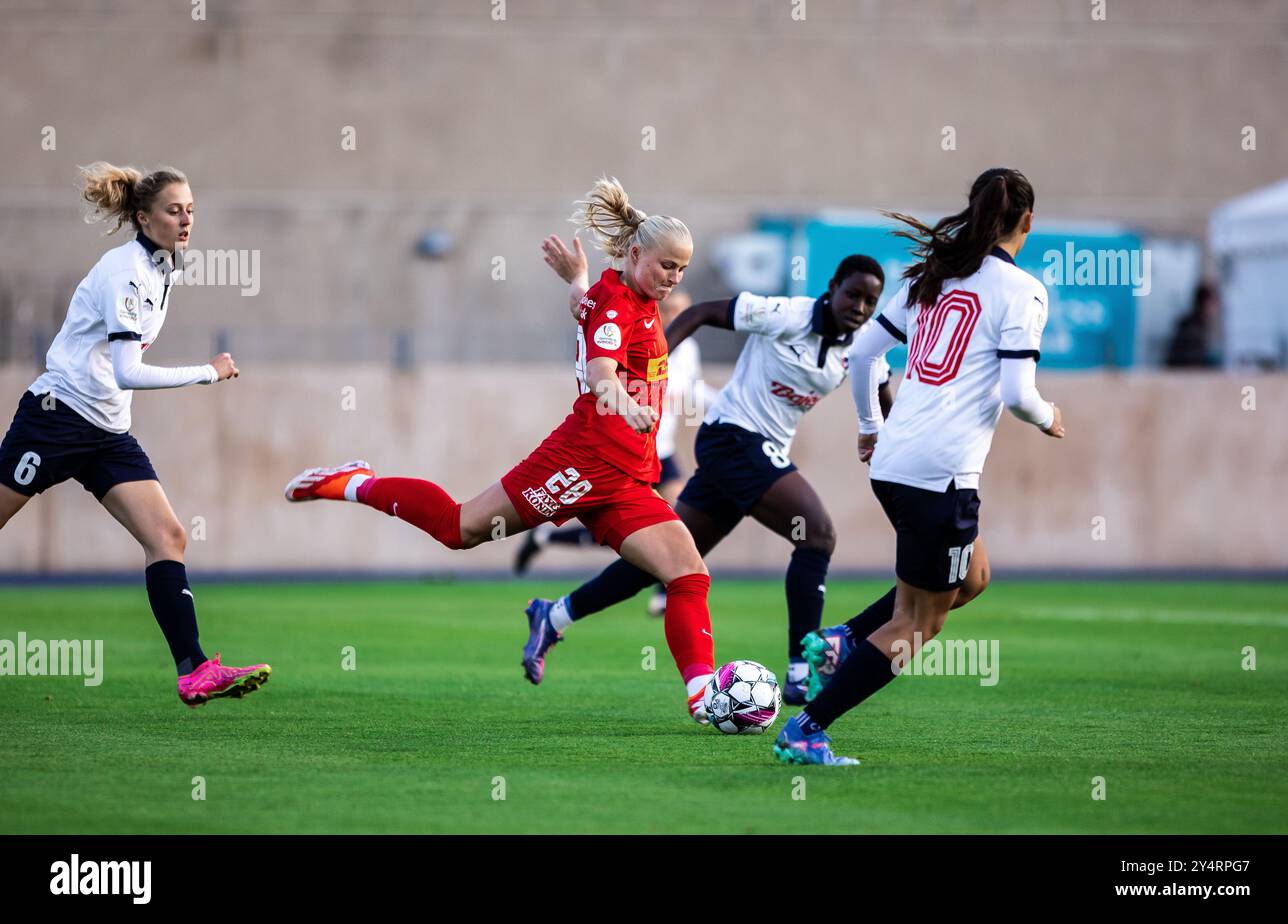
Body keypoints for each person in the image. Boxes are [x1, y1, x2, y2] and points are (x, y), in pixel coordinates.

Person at [284, 177, 719, 722]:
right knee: (460, 528)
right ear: (635, 254)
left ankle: (704, 695)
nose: (673, 278)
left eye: (681, 269)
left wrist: (576, 279)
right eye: (665, 266)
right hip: (581, 463)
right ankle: (354, 482)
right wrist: (620, 401)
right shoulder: (620, 303)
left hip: (626, 479)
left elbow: (587, 315)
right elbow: (603, 368)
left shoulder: (623, 295)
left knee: (687, 574)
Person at [773, 167, 1065, 765]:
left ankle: (842, 640)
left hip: (895, 464)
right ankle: (807, 727)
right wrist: (1049, 415)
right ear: (1027, 223)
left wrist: (868, 426)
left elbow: (862, 356)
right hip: (942, 475)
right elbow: (1018, 394)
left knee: (972, 576)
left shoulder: (931, 276)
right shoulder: (1022, 291)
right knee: (917, 625)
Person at [521, 255, 894, 705]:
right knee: (818, 535)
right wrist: (650, 368)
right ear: (832, 287)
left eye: (870, 301)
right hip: (733, 438)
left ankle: (553, 615)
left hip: (757, 454)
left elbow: (881, 387)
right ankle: (801, 669)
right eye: (852, 293)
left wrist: (890, 439)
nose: (859, 306)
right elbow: (699, 314)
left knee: (666, 561)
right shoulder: (786, 314)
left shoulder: (862, 348)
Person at [0, 162, 269, 707]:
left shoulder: (164, 266)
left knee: (168, 537)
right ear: (144, 217)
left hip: (107, 431)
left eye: (191, 209)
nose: (186, 219)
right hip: (56, 418)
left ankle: (194, 671)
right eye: (175, 210)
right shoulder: (125, 270)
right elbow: (127, 372)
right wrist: (207, 371)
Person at [511, 288, 716, 623]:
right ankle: (548, 537)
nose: (681, 318)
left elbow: (691, 389)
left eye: (686, 312)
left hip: (660, 450)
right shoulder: (638, 337)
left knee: (675, 522)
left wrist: (726, 405)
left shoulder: (686, 350)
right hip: (623, 453)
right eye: (674, 310)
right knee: (629, 532)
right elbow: (600, 373)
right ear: (659, 310)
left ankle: (666, 588)